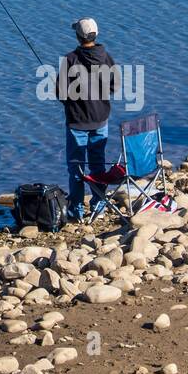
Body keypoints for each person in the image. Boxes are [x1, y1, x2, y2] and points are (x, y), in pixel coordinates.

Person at [55, 17, 118, 223]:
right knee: (97, 165)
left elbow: (60, 92)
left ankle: (77, 211)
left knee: (76, 167)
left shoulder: (70, 59)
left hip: (77, 123)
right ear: (95, 35)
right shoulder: (107, 58)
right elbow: (114, 86)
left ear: (78, 36)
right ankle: (98, 205)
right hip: (101, 120)